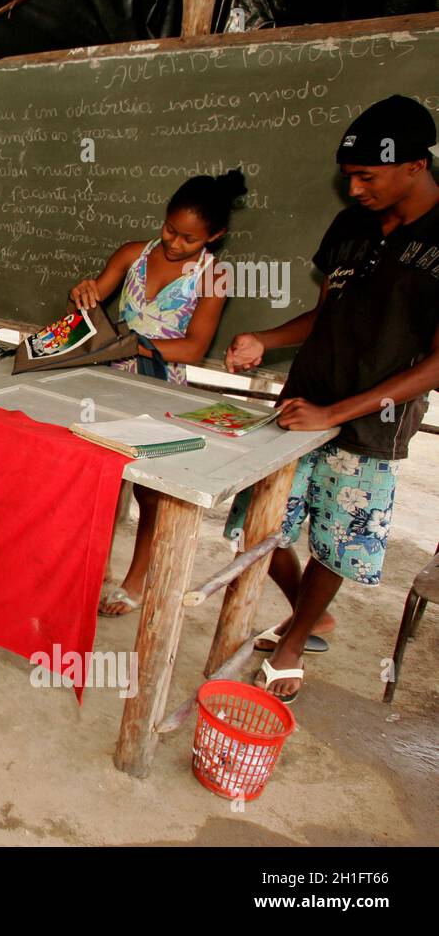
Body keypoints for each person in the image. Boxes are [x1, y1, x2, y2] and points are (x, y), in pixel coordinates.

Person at [223, 95, 439, 703]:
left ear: (416, 166)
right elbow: (325, 315)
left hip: (373, 423)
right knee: (257, 525)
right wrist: (265, 337)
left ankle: (292, 645)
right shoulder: (352, 226)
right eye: (349, 176)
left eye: (368, 176)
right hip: (303, 402)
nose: (354, 189)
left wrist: (337, 415)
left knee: (339, 538)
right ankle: (308, 614)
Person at [69, 170, 245, 617]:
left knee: (150, 492)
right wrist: (85, 292)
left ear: (215, 236)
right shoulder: (134, 254)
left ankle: (136, 578)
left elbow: (193, 346)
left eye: (188, 238)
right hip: (110, 381)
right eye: (170, 229)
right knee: (104, 475)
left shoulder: (215, 275)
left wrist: (139, 344)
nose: (174, 242)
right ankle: (93, 568)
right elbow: (92, 301)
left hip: (162, 387)